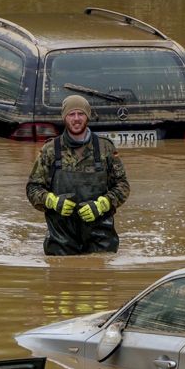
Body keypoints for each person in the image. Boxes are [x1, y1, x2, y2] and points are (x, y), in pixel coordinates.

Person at [25, 94, 130, 256]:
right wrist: (51, 201)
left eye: (80, 114)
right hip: (61, 241)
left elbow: (123, 186)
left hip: (101, 240)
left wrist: (104, 204)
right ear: (64, 117)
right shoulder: (50, 150)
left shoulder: (105, 148)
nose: (76, 119)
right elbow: (33, 189)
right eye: (71, 114)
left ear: (87, 116)